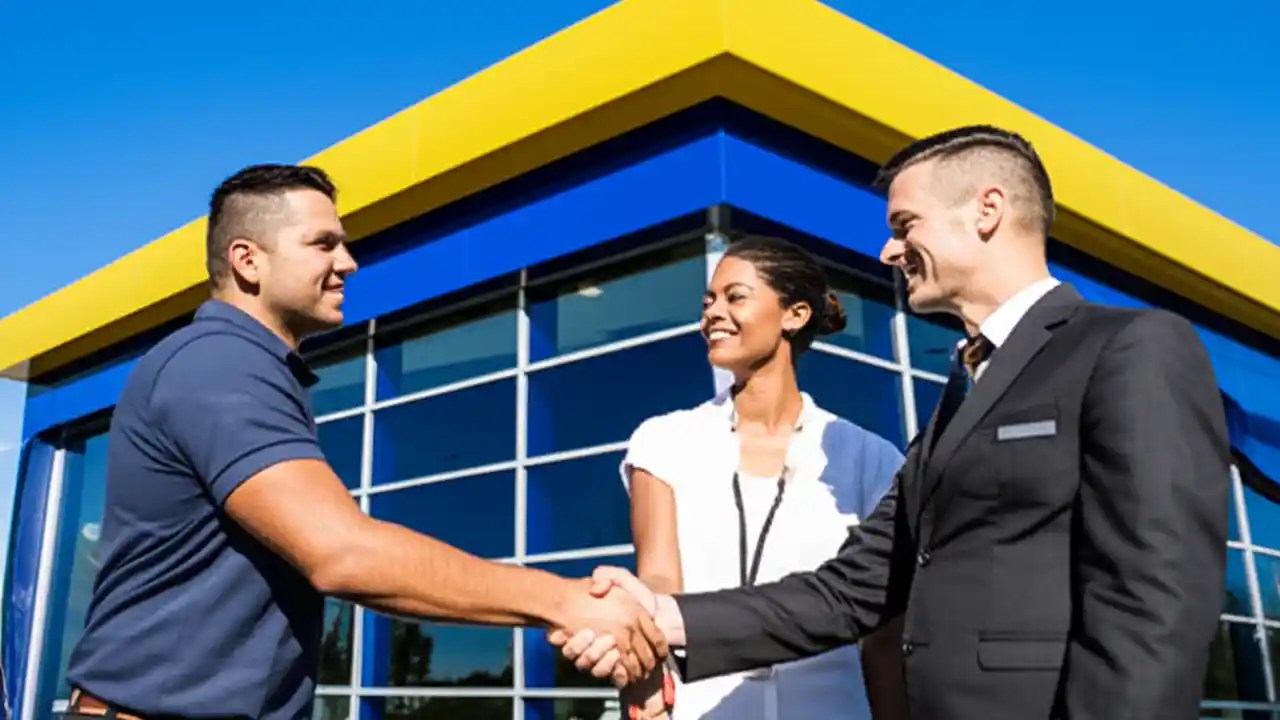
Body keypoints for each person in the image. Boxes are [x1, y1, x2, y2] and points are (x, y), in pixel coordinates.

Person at [553, 125, 1232, 720]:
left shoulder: (1131, 348)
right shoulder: (956, 400)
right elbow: (850, 591)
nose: (888, 250)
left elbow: (1156, 605)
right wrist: (664, 615)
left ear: (987, 210)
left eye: (905, 225)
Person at [60, 164, 665, 720]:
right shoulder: (220, 363)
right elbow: (342, 553)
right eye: (323, 244)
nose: (347, 262)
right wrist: (564, 600)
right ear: (248, 260)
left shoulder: (247, 368)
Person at [604, 236, 908, 719]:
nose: (712, 314)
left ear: (795, 314)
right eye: (708, 301)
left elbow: (884, 633)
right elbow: (657, 584)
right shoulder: (662, 441)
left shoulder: (871, 459)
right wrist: (645, 701)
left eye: (735, 297)